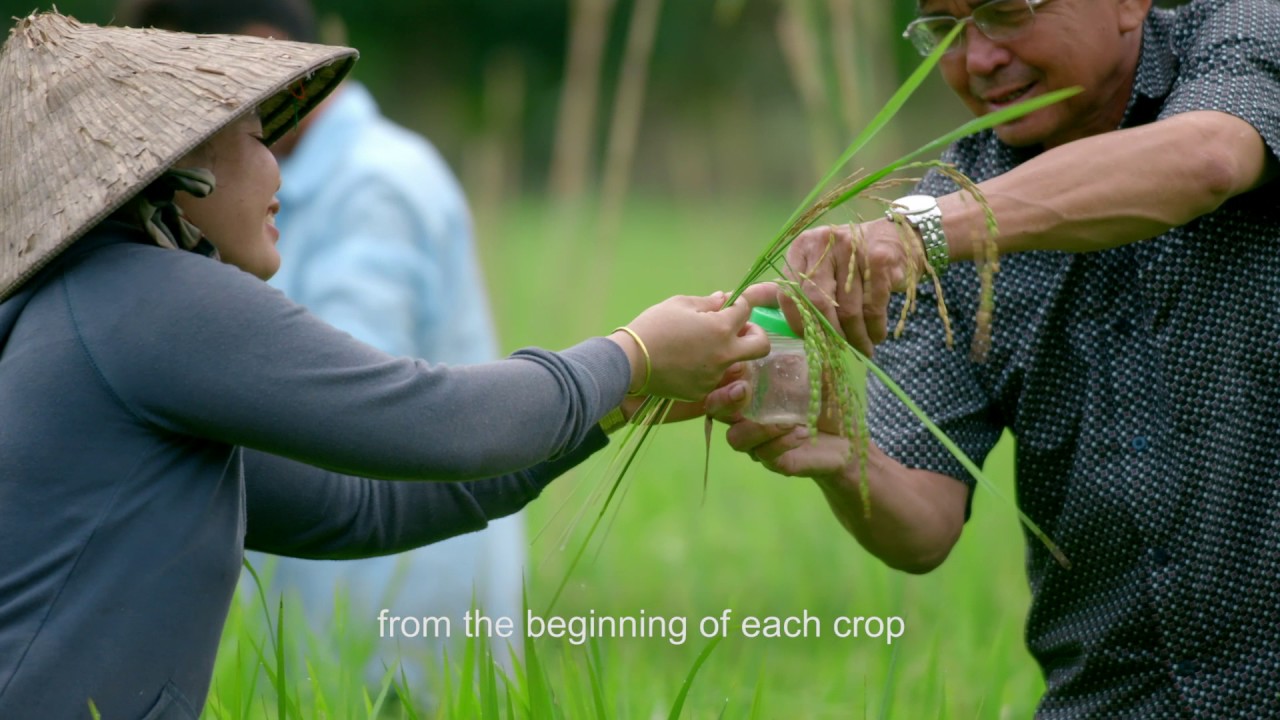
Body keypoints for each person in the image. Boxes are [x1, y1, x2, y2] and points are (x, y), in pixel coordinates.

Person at [0, 13, 772, 719]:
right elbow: (434, 422)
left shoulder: (97, 312)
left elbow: (360, 505)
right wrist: (630, 354)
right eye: (260, 139)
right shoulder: (157, 302)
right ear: (182, 164)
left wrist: (623, 398)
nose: (279, 174)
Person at [710, 0, 1279, 716]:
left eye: (1007, 12)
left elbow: (1209, 158)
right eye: (944, 30)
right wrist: (844, 454)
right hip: (1114, 701)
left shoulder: (1244, 34)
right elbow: (924, 523)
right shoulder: (935, 219)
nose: (977, 59)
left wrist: (919, 234)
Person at [117, 0, 527, 682]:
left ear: (263, 51)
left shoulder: (376, 186)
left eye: (184, 85)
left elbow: (343, 405)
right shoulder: (265, 184)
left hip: (399, 622)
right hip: (327, 610)